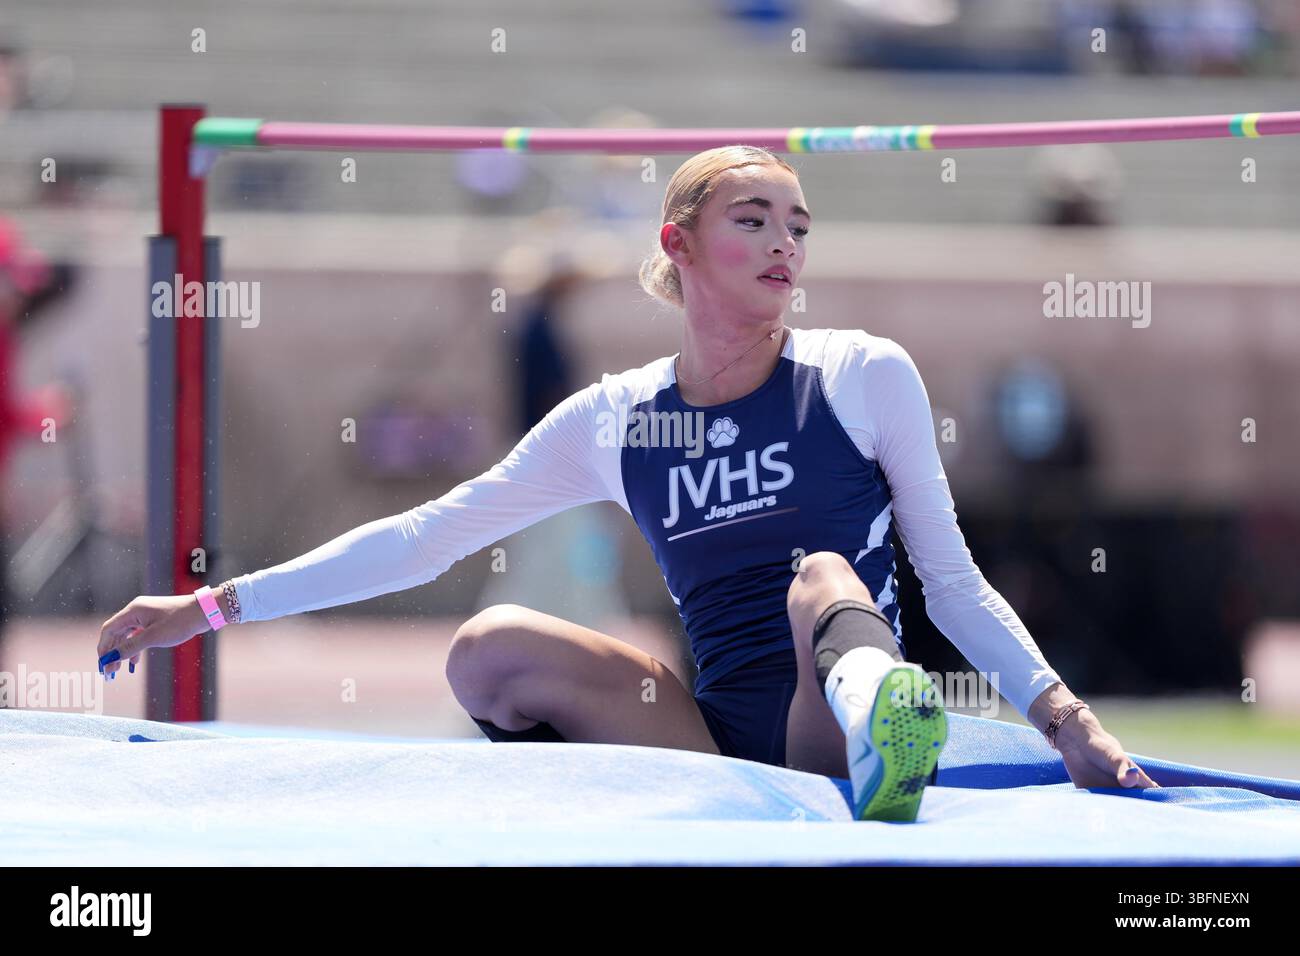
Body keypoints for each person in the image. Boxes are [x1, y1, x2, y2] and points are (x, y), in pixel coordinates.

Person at [94, 146, 1159, 822]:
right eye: (752, 217)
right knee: (488, 641)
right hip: (700, 737)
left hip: (825, 721)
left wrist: (1066, 721)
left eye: (797, 224)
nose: (784, 242)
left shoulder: (858, 371)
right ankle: (602, 819)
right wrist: (207, 605)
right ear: (678, 242)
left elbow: (953, 579)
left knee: (821, 569)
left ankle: (888, 739)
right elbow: (428, 533)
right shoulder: (614, 417)